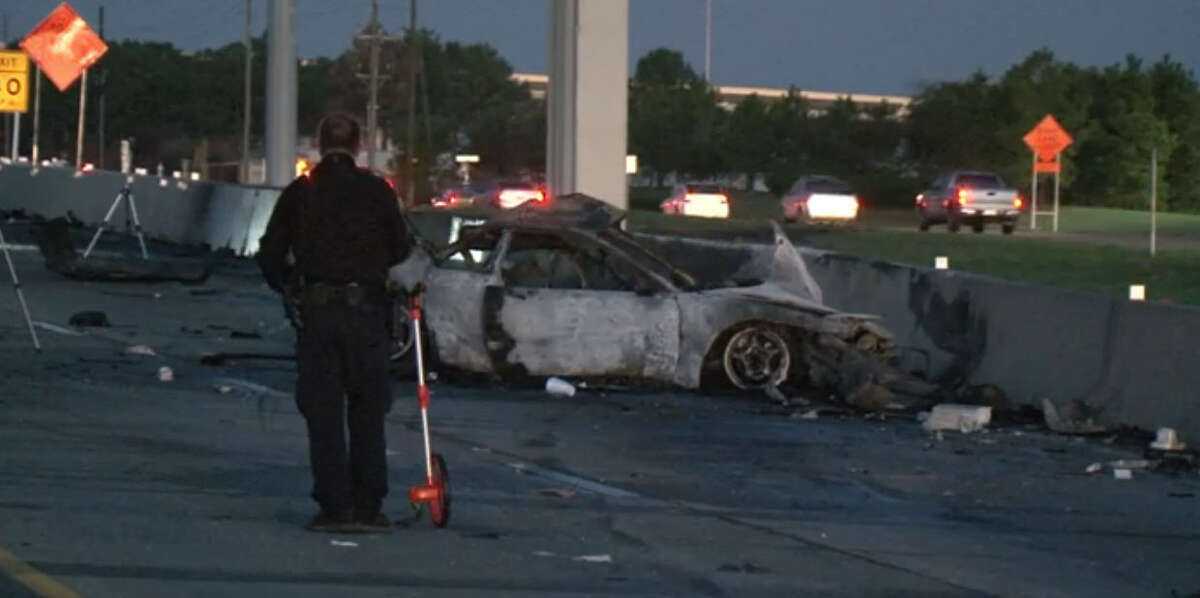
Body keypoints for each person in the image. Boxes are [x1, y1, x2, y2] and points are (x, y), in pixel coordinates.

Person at [257, 113, 411, 533]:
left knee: (323, 412)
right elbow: (400, 248)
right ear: (359, 145)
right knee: (368, 410)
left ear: (319, 144)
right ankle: (369, 504)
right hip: (367, 315)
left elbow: (269, 254)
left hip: (319, 313)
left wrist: (291, 288)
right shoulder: (378, 191)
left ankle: (335, 506)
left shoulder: (301, 192)